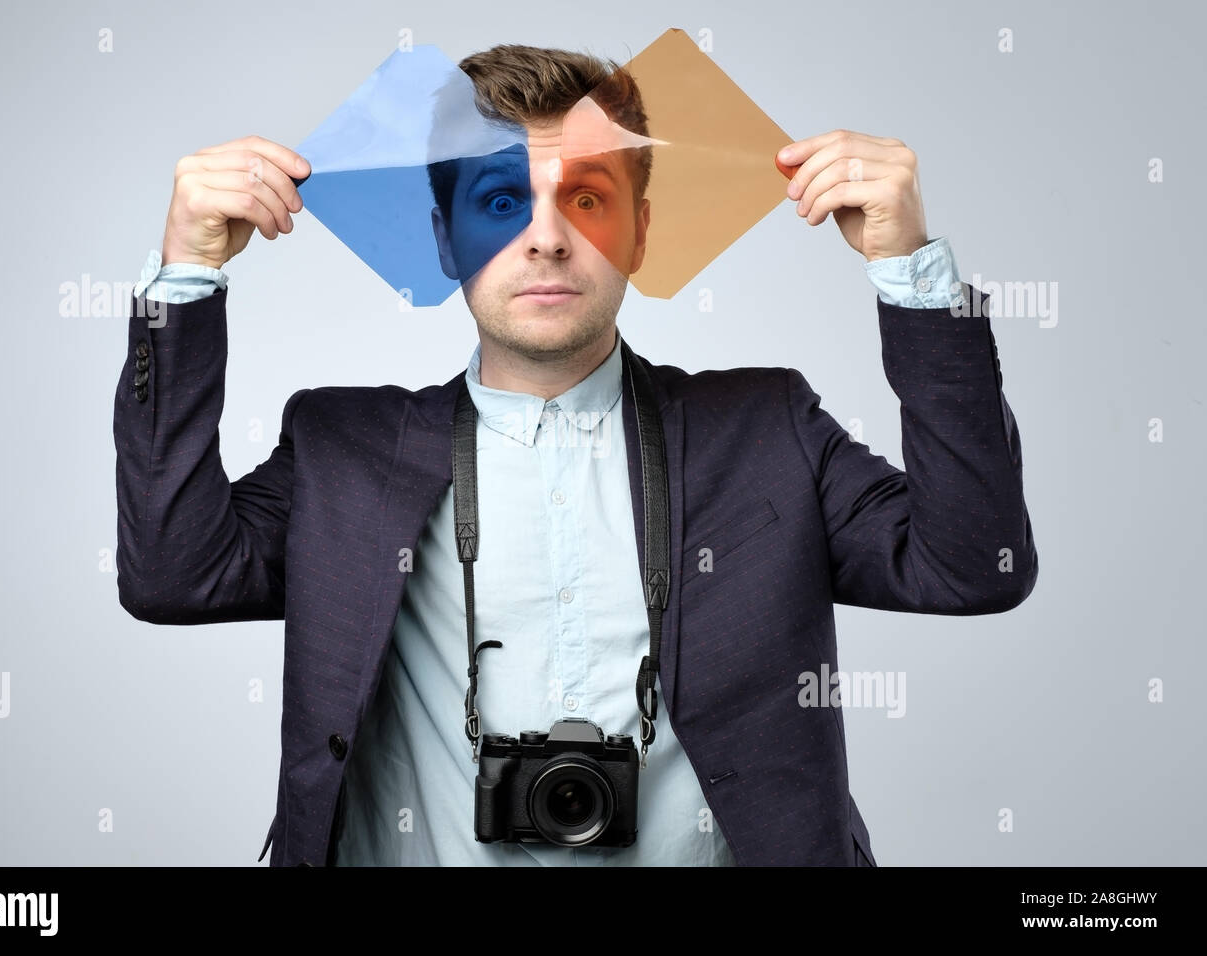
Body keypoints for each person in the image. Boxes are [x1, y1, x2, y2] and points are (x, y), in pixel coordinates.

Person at [115, 43, 1038, 866]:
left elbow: (973, 567)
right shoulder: (339, 449)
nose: (548, 237)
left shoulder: (766, 427)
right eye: (501, 201)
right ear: (447, 241)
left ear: (639, 232)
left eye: (587, 199)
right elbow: (169, 575)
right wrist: (188, 275)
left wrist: (909, 273)